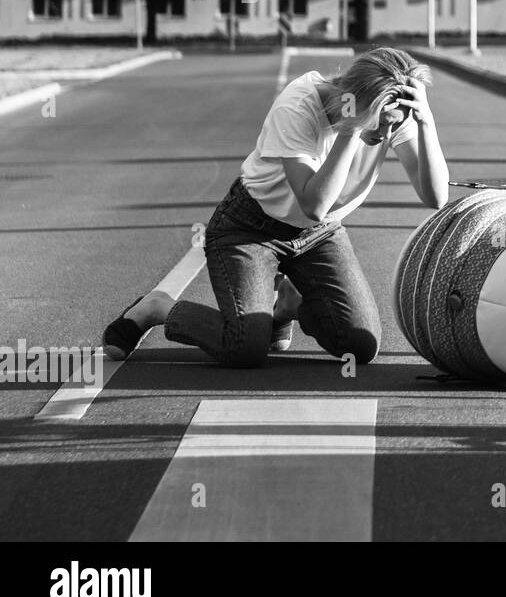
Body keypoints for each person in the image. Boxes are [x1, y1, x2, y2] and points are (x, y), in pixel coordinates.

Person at [102, 47, 450, 367]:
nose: (385, 134)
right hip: (250, 229)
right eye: (379, 123)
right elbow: (314, 202)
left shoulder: (392, 114)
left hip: (319, 235)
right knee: (244, 349)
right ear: (355, 102)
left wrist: (426, 122)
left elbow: (434, 197)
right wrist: (353, 128)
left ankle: (289, 305)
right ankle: (157, 307)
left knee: (359, 347)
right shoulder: (299, 105)